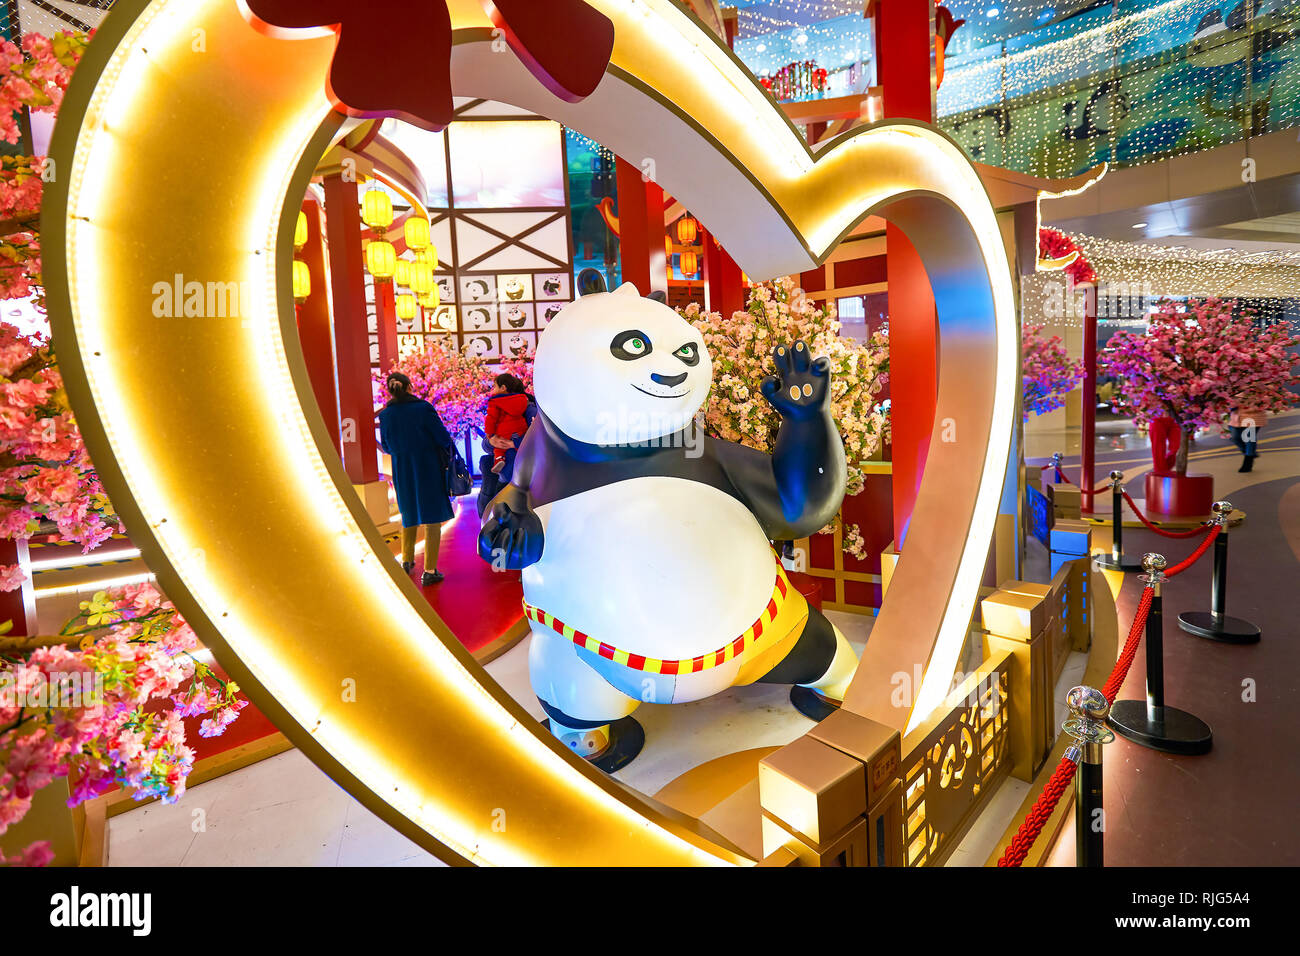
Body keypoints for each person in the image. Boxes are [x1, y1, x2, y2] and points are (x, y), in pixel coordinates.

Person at [378, 372, 454, 584]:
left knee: (408, 512)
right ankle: (429, 570)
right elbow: (443, 437)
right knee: (432, 517)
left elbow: (386, 445)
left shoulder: (386, 415)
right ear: (410, 386)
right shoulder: (423, 408)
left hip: (401, 467)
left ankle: (407, 560)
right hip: (427, 465)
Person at [484, 373, 531, 475]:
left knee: (500, 447)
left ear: (503, 388)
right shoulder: (523, 400)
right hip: (520, 429)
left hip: (504, 432)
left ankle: (499, 459)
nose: (493, 389)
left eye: (494, 386)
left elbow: (491, 419)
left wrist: (490, 435)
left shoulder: (495, 401)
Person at [1228, 400, 1268, 473]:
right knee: (1235, 437)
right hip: (1236, 416)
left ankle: (1248, 462)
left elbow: (1264, 400)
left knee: (1249, 438)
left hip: (1253, 416)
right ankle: (1250, 453)